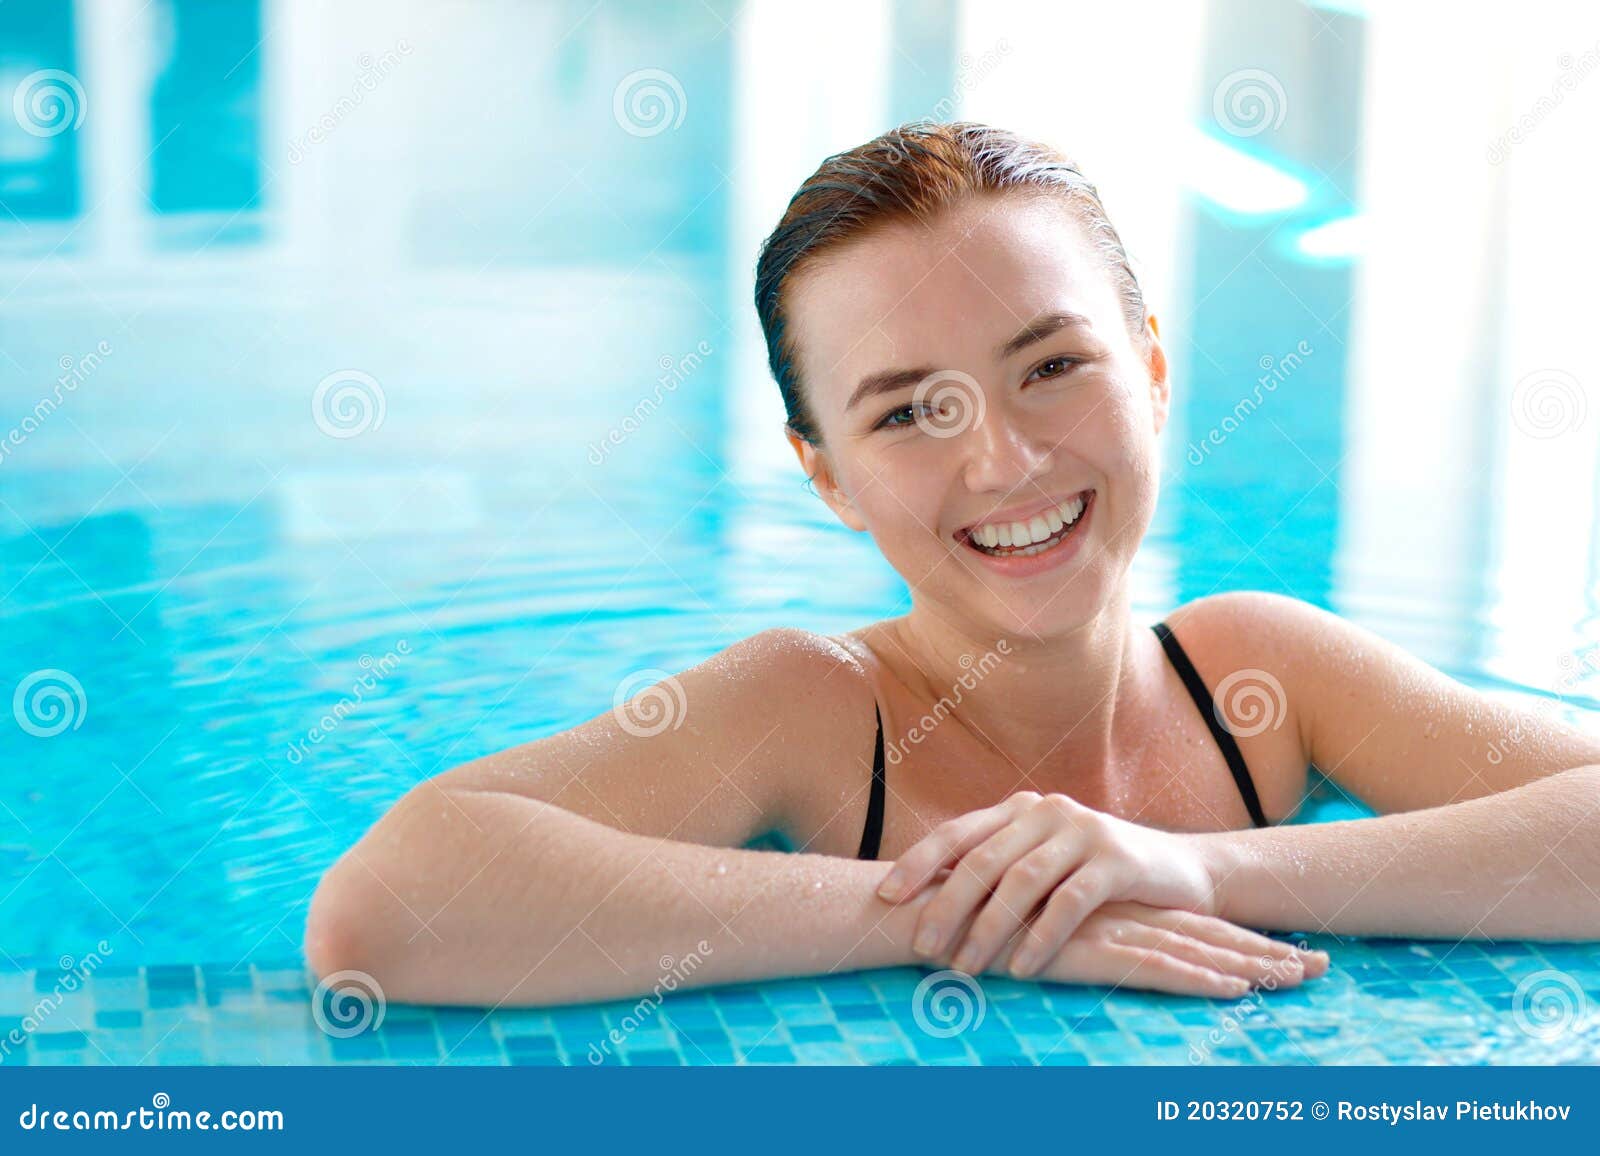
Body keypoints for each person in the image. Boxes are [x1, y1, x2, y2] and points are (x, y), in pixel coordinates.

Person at [305, 121, 1600, 1007]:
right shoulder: (811, 713)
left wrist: (1199, 870)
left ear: (1150, 372)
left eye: (1051, 367)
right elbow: (382, 913)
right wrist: (955, 911)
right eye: (908, 409)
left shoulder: (1259, 678)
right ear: (828, 478)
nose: (1004, 461)